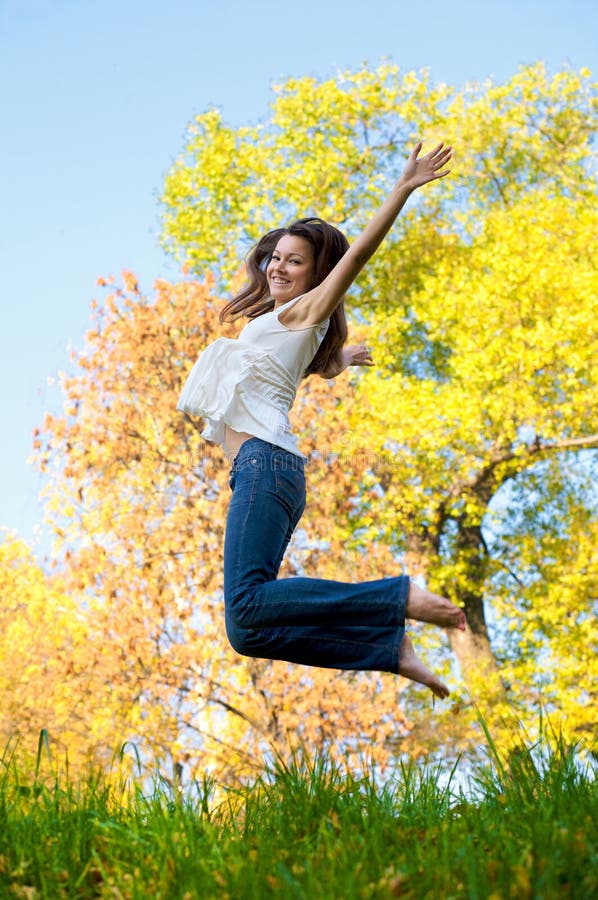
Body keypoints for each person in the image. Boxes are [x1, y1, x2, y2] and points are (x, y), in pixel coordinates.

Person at [177, 142, 466, 699]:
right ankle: (386, 649)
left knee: (248, 602)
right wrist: (339, 361)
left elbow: (355, 257)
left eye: (294, 260)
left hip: (265, 466)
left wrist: (403, 188)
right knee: (247, 628)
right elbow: (290, 374)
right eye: (275, 257)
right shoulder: (282, 326)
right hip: (264, 472)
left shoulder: (306, 309)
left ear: (315, 275)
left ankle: (397, 596)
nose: (278, 267)